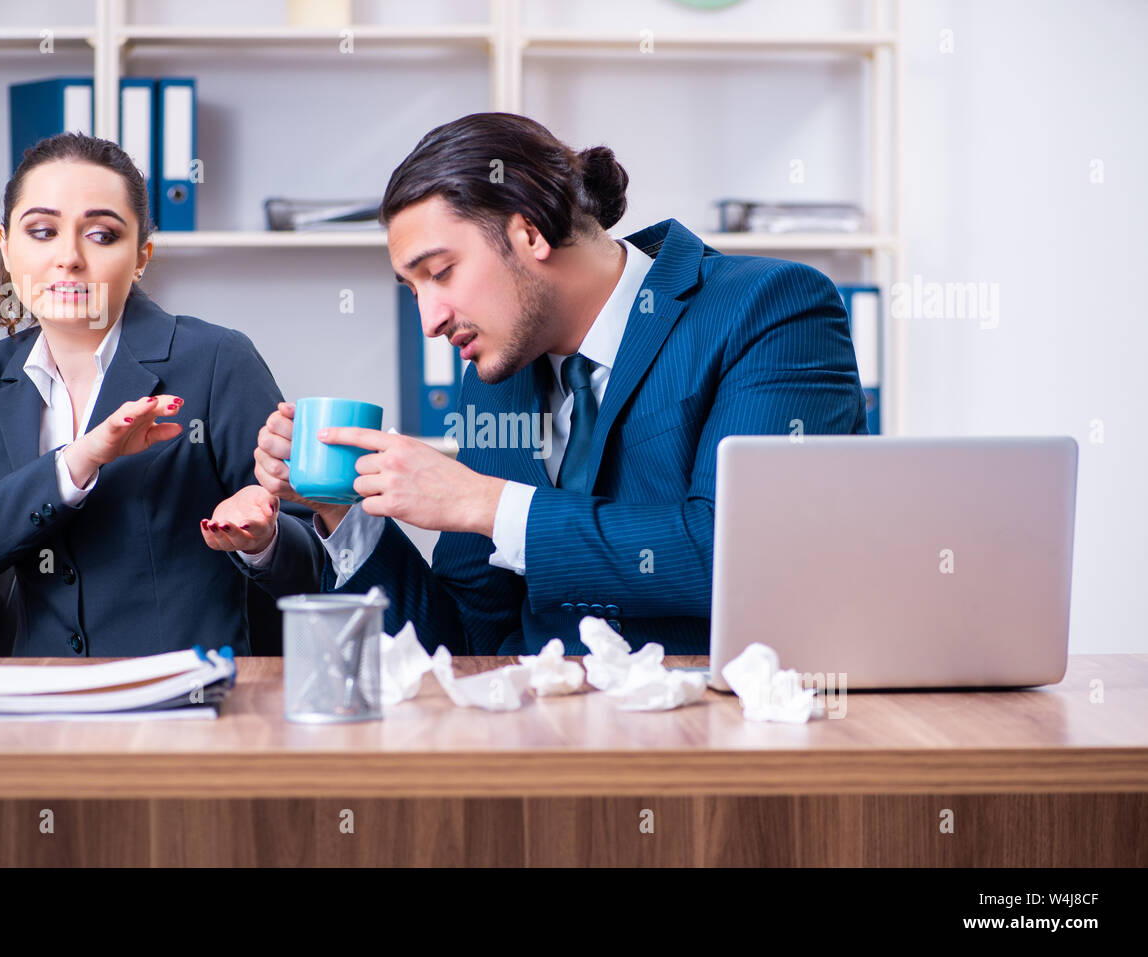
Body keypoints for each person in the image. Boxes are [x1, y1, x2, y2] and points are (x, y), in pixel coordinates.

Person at [213, 112, 869, 656]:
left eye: (439, 272)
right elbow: (464, 641)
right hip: (541, 757)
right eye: (412, 289)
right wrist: (340, 510)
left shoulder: (770, 308)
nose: (430, 320)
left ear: (529, 231)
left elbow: (747, 560)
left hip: (726, 756)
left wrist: (489, 505)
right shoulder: (495, 379)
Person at [0, 132, 321, 657]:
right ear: (5, 245)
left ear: (141, 257)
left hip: (181, 701)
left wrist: (263, 540)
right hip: (36, 704)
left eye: (102, 236)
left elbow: (317, 562)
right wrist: (78, 461)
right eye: (41, 231)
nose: (68, 258)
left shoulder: (217, 359)